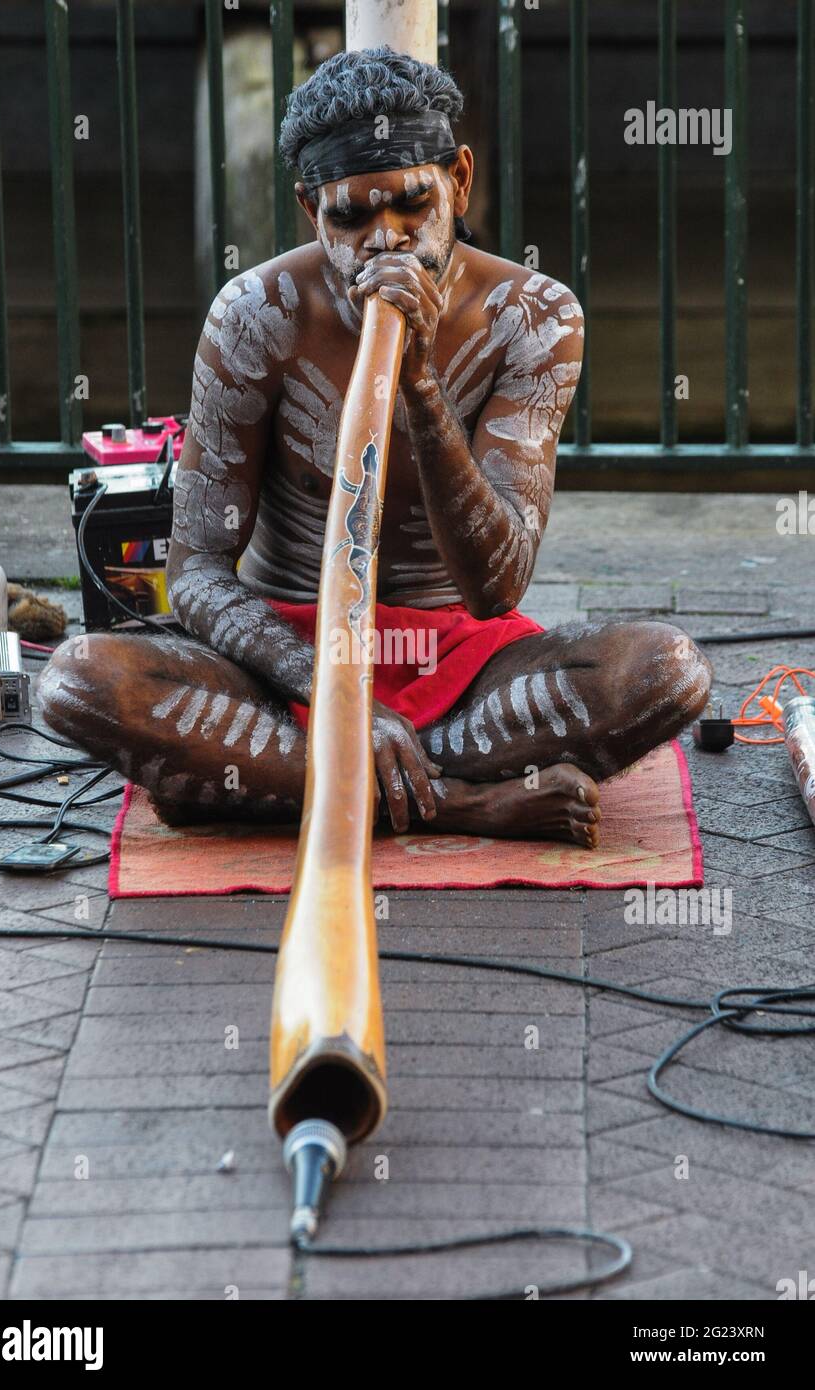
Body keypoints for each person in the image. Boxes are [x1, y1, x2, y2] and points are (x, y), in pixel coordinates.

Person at [40, 45, 711, 846]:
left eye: (408, 205)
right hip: (286, 656)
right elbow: (194, 575)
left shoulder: (533, 317)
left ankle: (273, 783)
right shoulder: (255, 313)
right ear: (308, 210)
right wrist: (335, 693)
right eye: (349, 217)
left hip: (462, 665)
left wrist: (422, 387)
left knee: (665, 672)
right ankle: (463, 800)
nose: (383, 240)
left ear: (458, 181)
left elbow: (496, 587)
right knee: (77, 685)